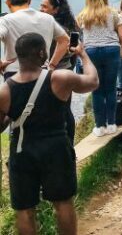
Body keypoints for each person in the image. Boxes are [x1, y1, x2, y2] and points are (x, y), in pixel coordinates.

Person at [0, 32, 99, 235]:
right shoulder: (59, 78)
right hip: (56, 149)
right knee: (63, 203)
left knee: (24, 210)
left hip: (22, 151)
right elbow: (92, 81)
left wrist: (14, 115)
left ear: (17, 56)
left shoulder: (5, 91)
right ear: (42, 53)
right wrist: (83, 55)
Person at [77, 0, 122, 137]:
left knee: (96, 89)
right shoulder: (114, 14)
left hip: (91, 52)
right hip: (112, 50)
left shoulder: (82, 16)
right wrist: (117, 44)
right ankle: (112, 124)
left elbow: (80, 38)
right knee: (110, 88)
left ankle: (99, 126)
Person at [0, 0, 69, 79]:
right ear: (29, 1)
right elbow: (65, 40)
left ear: (7, 2)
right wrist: (52, 65)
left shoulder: (5, 20)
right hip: (42, 73)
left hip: (14, 73)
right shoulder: (48, 19)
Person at [39, 0, 81, 143]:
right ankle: (69, 145)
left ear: (55, 10)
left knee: (53, 110)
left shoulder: (55, 28)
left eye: (44, 6)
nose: (41, 9)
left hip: (55, 72)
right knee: (65, 108)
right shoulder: (71, 24)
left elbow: (63, 45)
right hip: (67, 69)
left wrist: (51, 66)